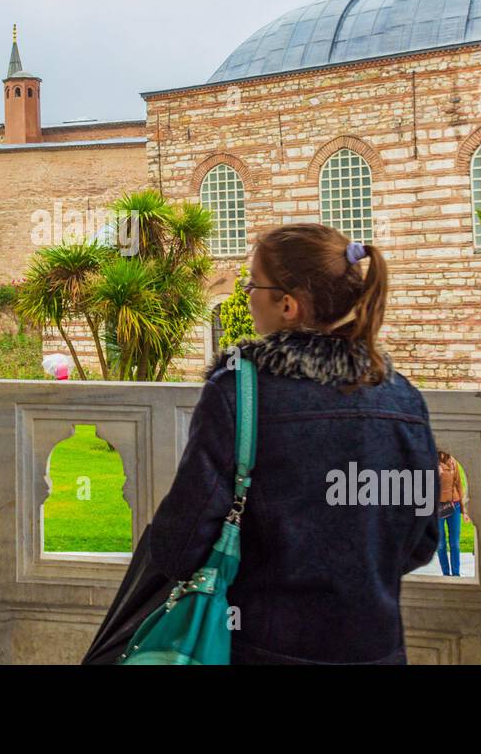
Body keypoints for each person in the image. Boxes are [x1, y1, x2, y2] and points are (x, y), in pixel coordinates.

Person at [84, 223, 439, 665]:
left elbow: (179, 548)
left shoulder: (239, 393)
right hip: (377, 650)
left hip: (261, 648)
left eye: (253, 284)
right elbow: (422, 541)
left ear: (287, 304)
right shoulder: (404, 398)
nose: (245, 294)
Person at [437, 451, 469, 577]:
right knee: (440, 544)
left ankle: (456, 574)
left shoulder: (453, 462)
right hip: (438, 507)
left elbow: (459, 486)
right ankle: (446, 574)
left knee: (455, 543)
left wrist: (464, 510)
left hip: (453, 505)